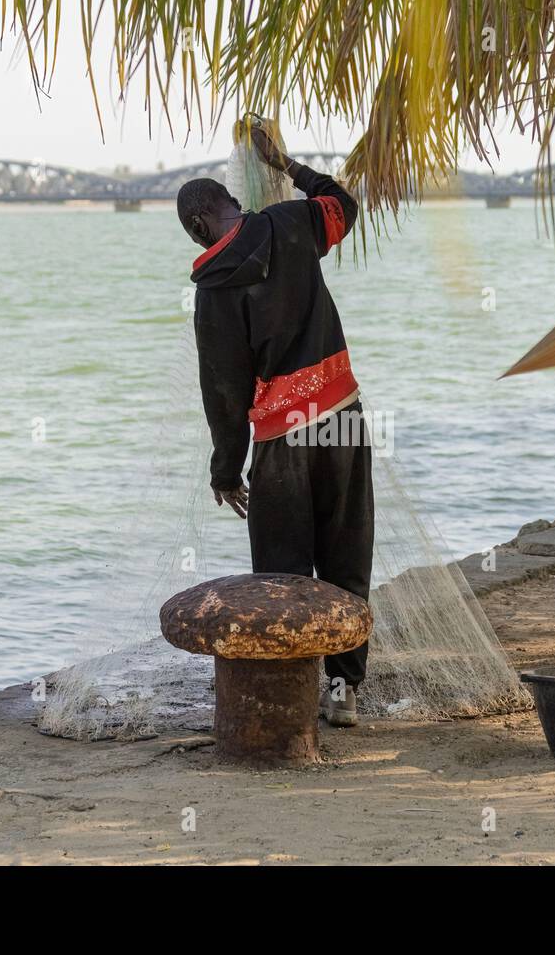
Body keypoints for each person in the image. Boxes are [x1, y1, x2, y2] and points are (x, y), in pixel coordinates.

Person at [177, 125, 372, 728]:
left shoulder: (214, 295)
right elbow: (343, 204)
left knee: (284, 570)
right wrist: (286, 164)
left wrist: (225, 471)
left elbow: (226, 393)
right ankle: (344, 689)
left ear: (203, 227)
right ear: (237, 205)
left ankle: (293, 686)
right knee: (346, 550)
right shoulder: (291, 224)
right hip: (341, 418)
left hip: (282, 438)